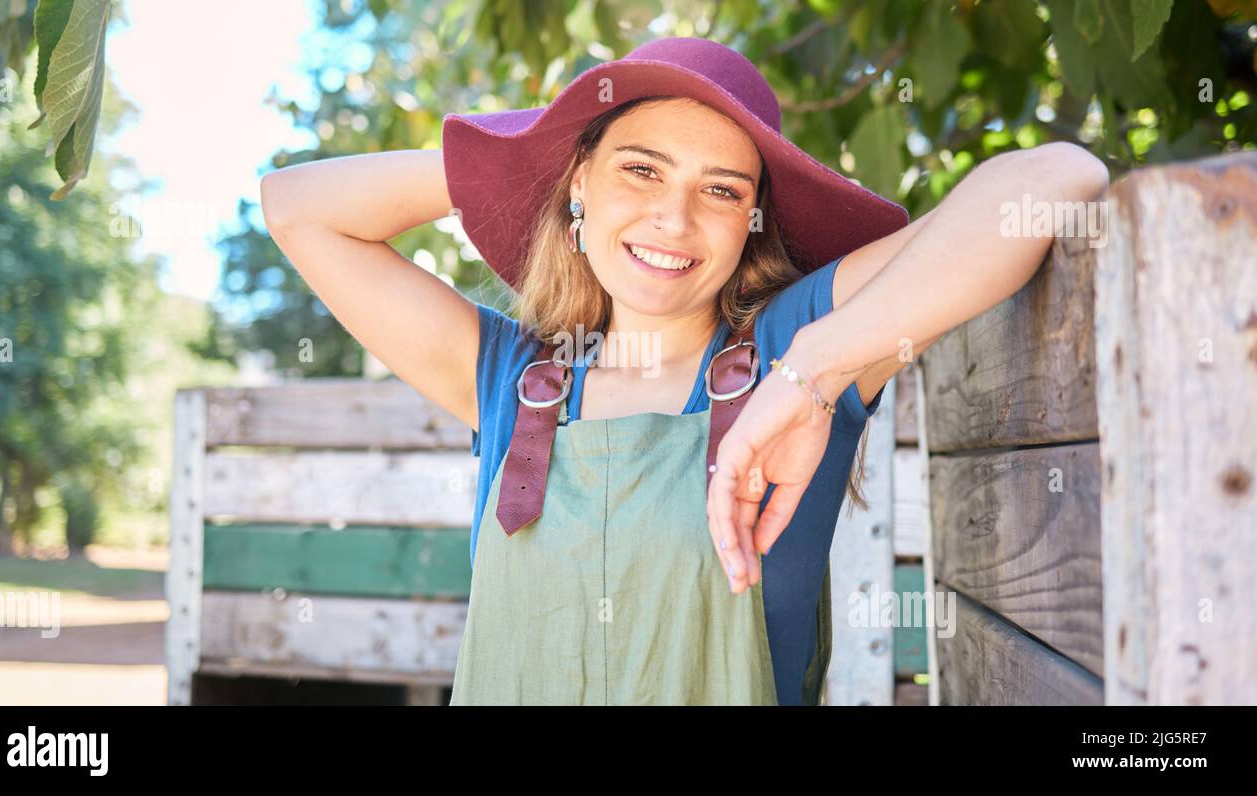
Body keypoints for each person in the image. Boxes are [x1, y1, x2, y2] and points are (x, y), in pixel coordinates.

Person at [260, 37, 1110, 705]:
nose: (672, 218)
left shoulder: (791, 349)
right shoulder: (511, 375)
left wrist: (814, 372)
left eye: (720, 190)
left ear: (752, 221)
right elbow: (296, 207)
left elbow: (1056, 177)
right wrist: (540, 138)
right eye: (639, 169)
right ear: (579, 184)